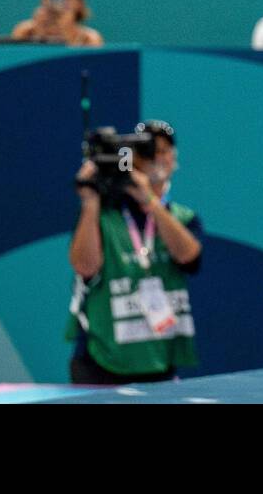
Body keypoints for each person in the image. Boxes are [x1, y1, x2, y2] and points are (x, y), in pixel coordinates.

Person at [67, 119, 203, 384]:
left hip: (160, 361)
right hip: (102, 363)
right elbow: (84, 266)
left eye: (164, 150)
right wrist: (90, 201)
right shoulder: (103, 216)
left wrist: (149, 200)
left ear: (175, 158)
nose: (157, 158)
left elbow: (189, 257)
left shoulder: (184, 218)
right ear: (132, 161)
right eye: (149, 152)